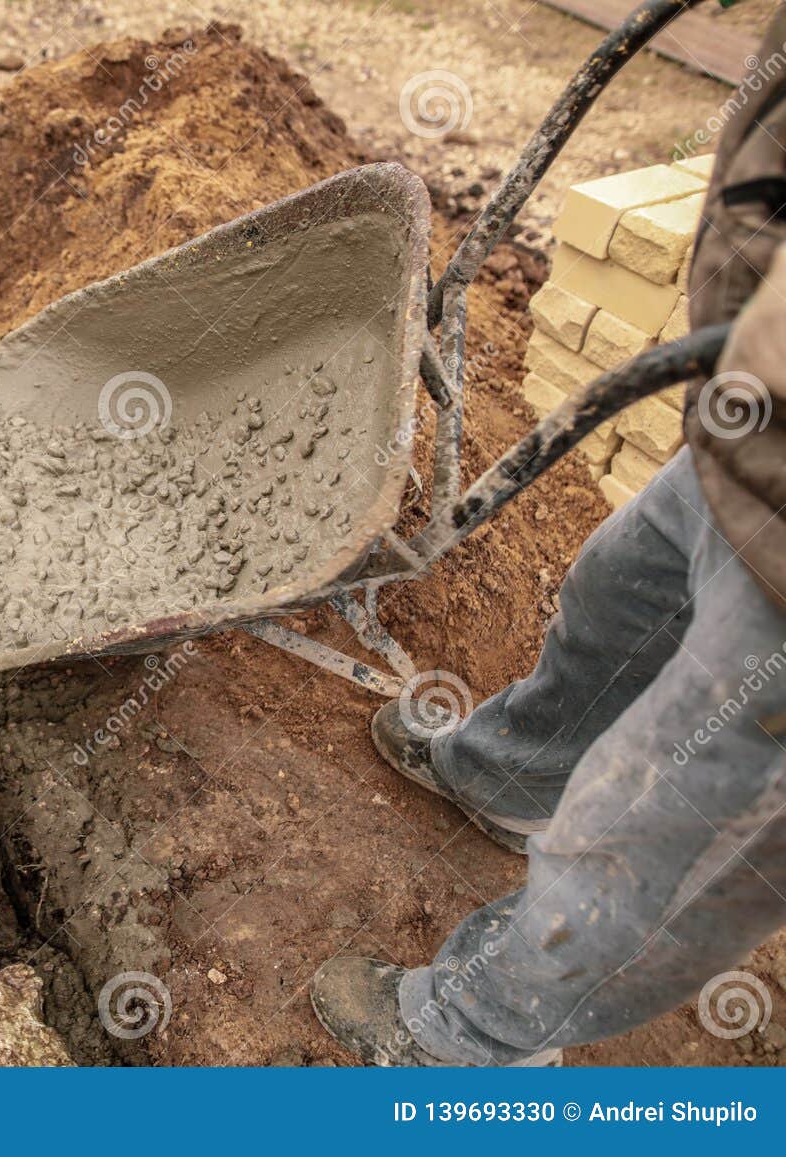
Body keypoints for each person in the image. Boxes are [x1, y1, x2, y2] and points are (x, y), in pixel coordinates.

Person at [311, 9, 786, 1066]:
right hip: (754, 436)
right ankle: (515, 774)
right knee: (620, 590)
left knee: (662, 816)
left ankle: (470, 1036)